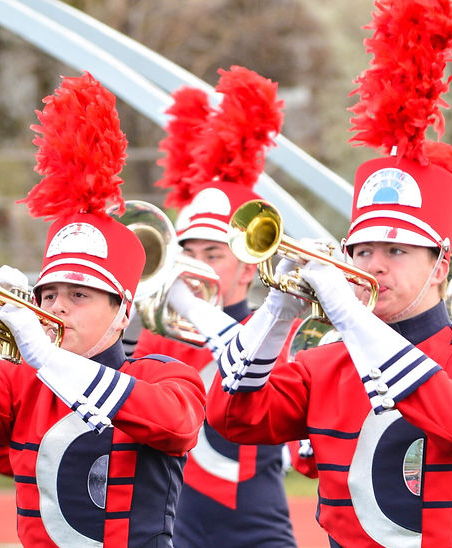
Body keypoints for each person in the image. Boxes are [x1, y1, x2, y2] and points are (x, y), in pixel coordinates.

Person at [206, 1, 452, 545]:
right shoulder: (322, 367)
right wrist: (277, 311)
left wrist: (345, 314)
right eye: (360, 251)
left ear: (441, 264)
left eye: (397, 251)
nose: (372, 265)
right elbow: (232, 414)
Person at [0, 73, 205, 546]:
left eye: (79, 295)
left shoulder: (167, 375)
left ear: (123, 311)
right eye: (48, 294)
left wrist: (49, 359)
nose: (57, 308)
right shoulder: (18, 381)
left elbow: (176, 425)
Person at [131, 67, 298, 547]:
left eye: (213, 255)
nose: (195, 266)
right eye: (188, 252)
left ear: (247, 268)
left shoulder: (274, 332)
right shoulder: (157, 336)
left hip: (257, 533)